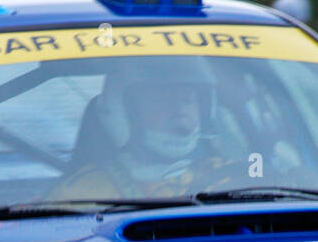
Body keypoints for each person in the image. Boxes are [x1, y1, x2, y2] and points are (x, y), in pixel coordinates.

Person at [53, 58, 236, 201]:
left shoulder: (229, 176)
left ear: (206, 110)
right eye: (161, 101)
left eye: (188, 100)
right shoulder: (85, 192)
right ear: (124, 113)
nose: (180, 113)